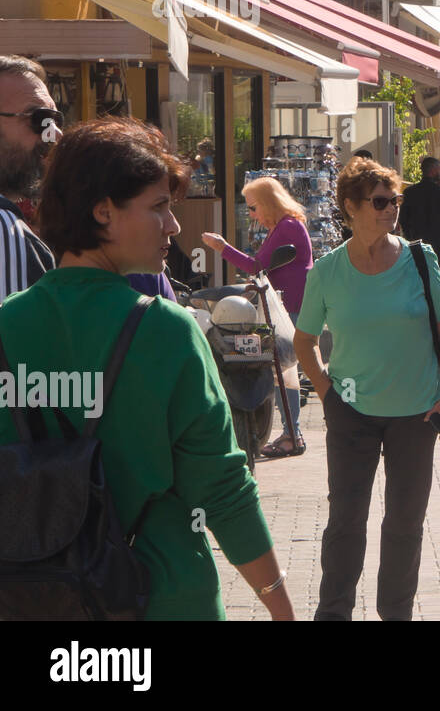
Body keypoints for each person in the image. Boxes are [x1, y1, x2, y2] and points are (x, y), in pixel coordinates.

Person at [0, 118, 292, 620]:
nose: (173, 227)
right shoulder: (166, 331)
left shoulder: (6, 325)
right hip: (159, 597)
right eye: (159, 207)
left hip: (31, 599)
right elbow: (222, 488)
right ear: (103, 212)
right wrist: (279, 606)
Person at [292, 157, 440, 621]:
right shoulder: (327, 271)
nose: (392, 209)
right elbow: (303, 341)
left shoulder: (418, 258)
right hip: (352, 414)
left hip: (416, 413)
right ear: (351, 206)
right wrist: (328, 394)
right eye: (381, 201)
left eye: (395, 200)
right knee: (346, 522)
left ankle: (396, 614)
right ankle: (333, 613)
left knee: (404, 524)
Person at [202, 176, 314, 459]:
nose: (251, 215)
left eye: (253, 208)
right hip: (285, 303)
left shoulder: (286, 226)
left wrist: (222, 247)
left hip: (286, 306)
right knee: (283, 370)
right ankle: (292, 432)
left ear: (267, 203)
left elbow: (256, 265)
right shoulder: (285, 225)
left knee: (283, 369)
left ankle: (292, 434)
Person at [0, 55, 60, 300]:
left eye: (56, 119)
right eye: (39, 118)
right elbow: (14, 338)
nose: (55, 134)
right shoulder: (4, 229)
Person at [399, 155, 440, 281]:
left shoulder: (410, 192)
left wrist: (408, 237)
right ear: (433, 170)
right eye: (439, 169)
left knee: (419, 278)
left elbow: (403, 218)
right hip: (439, 242)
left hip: (417, 241)